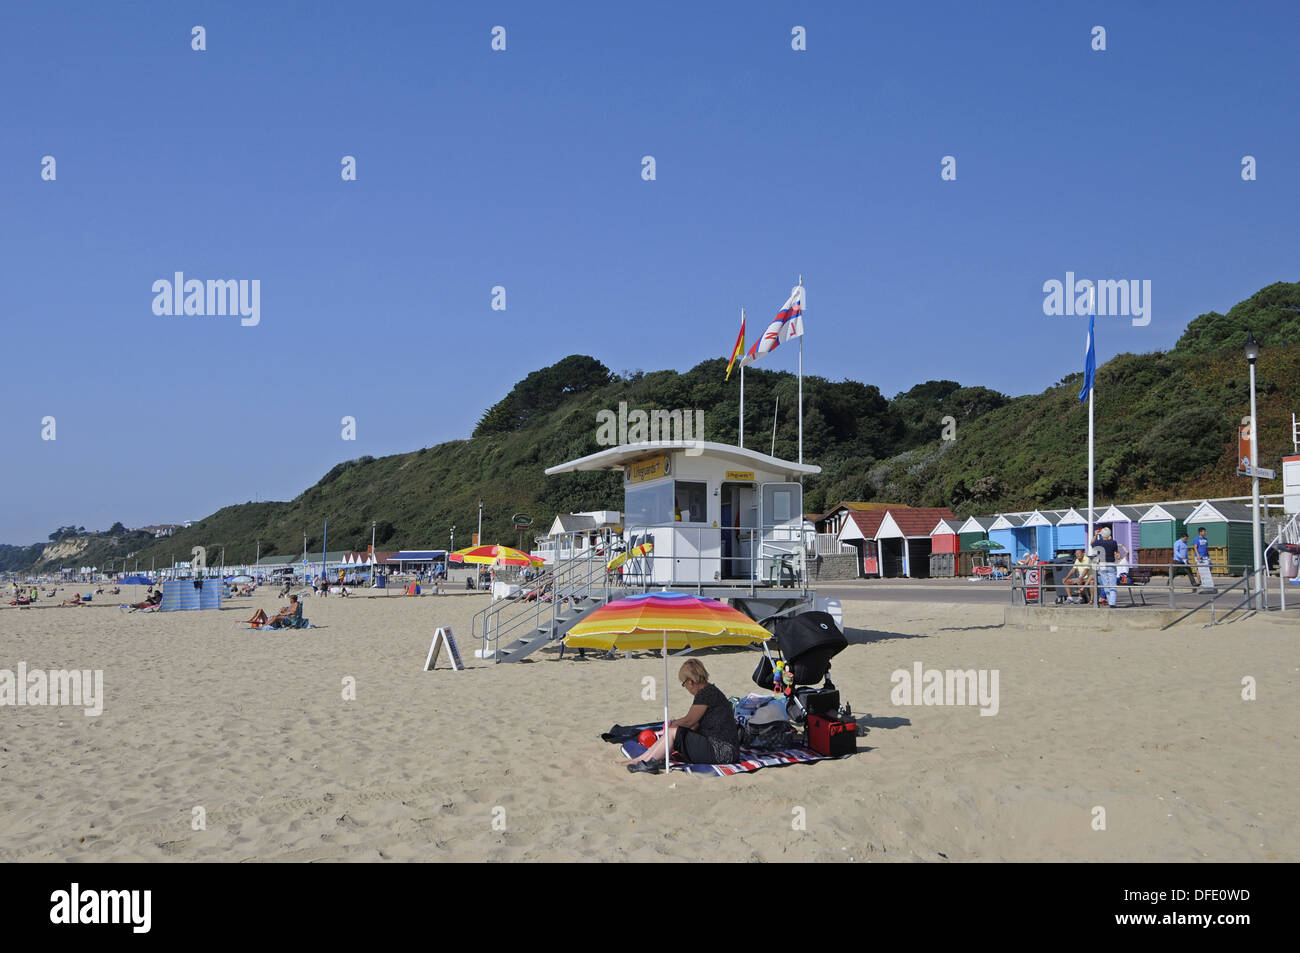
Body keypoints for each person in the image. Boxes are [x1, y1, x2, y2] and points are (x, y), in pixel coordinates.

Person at [625, 659, 740, 773]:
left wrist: (672, 725)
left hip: (721, 752)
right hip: (725, 750)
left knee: (672, 732)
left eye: (684, 684)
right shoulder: (710, 691)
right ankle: (641, 759)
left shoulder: (706, 693)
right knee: (674, 731)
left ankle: (646, 762)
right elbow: (695, 724)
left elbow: (689, 721)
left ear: (690, 681)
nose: (686, 688)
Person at [1094, 527, 1128, 607]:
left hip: (1102, 564)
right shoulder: (1113, 542)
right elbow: (1115, 551)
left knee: (1106, 585)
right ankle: (1112, 603)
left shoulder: (1099, 542)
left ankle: (1110, 601)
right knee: (1112, 584)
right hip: (1111, 564)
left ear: (1101, 534)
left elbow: (1092, 543)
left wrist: (1095, 535)